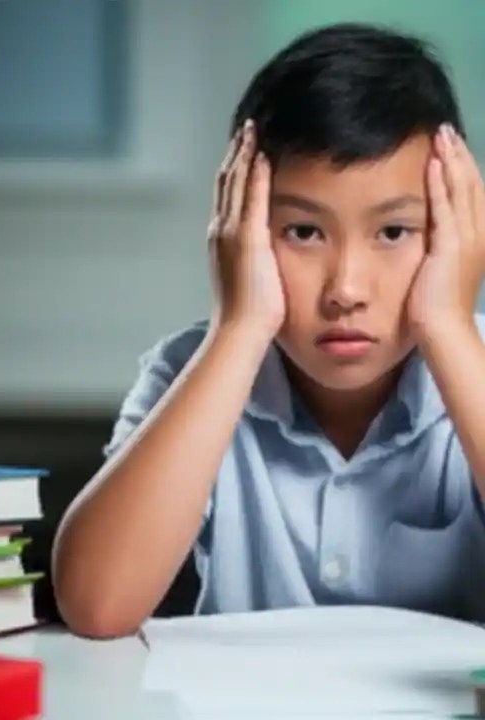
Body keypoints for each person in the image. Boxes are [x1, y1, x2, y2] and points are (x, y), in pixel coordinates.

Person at [52, 23, 485, 637]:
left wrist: (447, 323)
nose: (346, 290)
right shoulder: (193, 372)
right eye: (304, 232)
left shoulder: (476, 368)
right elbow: (97, 604)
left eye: (394, 232)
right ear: (242, 230)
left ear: (455, 230)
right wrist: (239, 327)